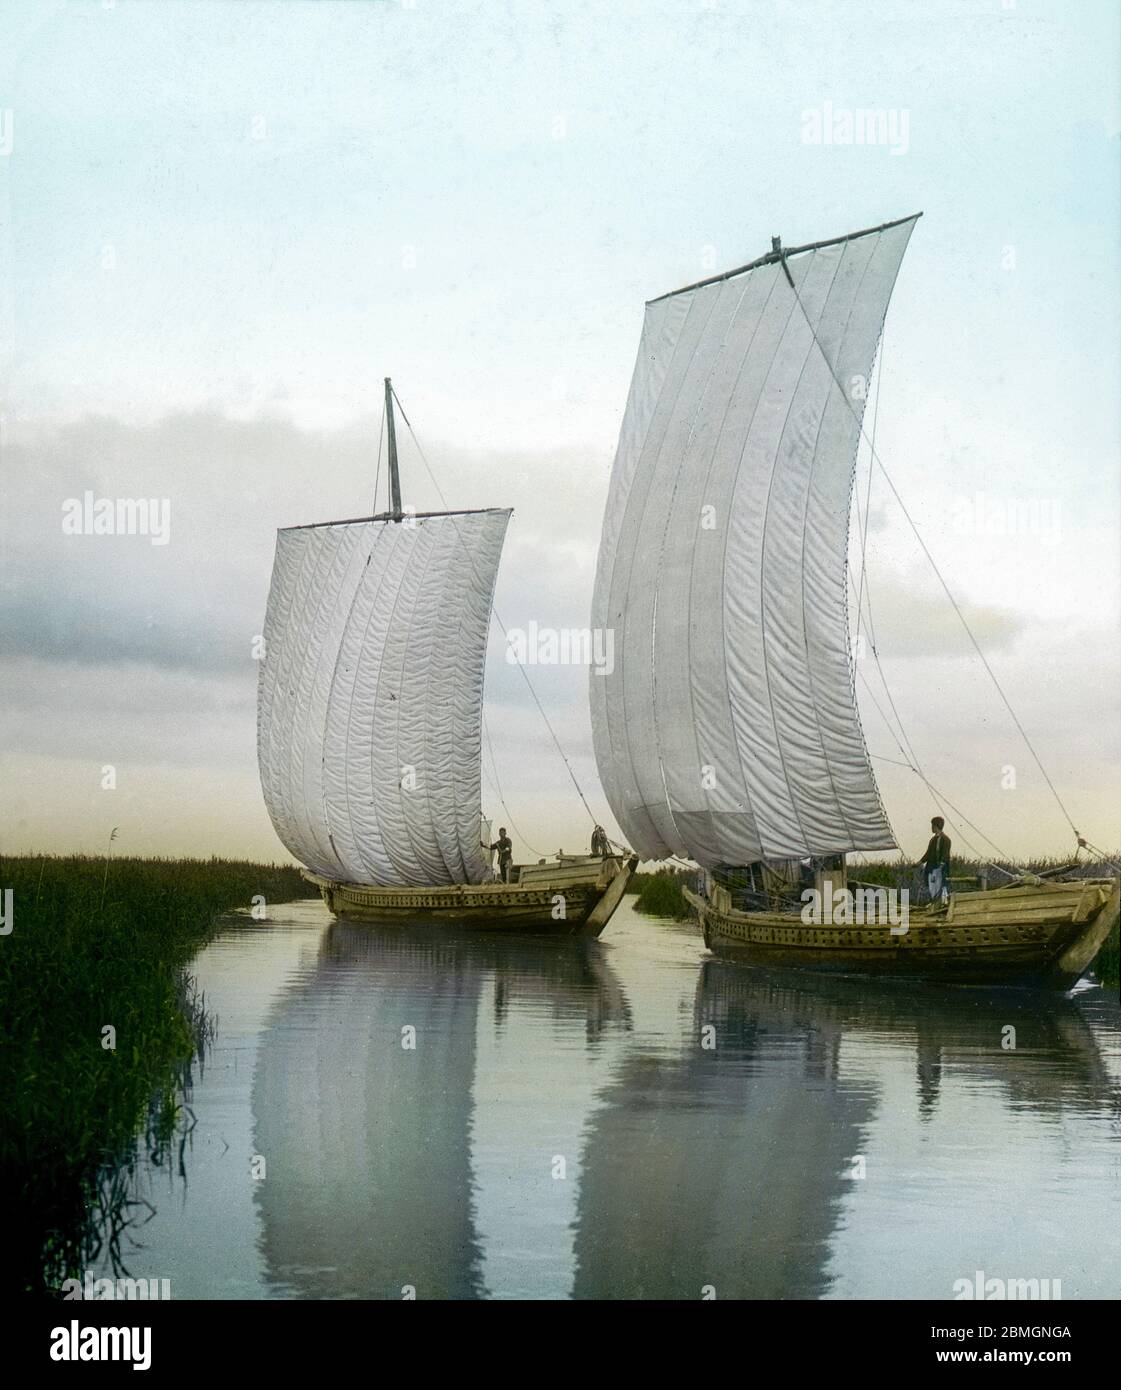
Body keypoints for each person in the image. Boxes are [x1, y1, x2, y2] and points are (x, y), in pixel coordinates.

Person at [919, 816, 952, 903]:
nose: (931, 828)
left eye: (932, 826)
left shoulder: (946, 840)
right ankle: (934, 904)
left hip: (940, 869)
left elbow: (945, 856)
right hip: (931, 868)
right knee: (932, 888)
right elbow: (928, 854)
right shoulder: (932, 840)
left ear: (936, 826)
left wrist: (938, 869)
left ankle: (943, 904)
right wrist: (919, 862)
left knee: (942, 887)